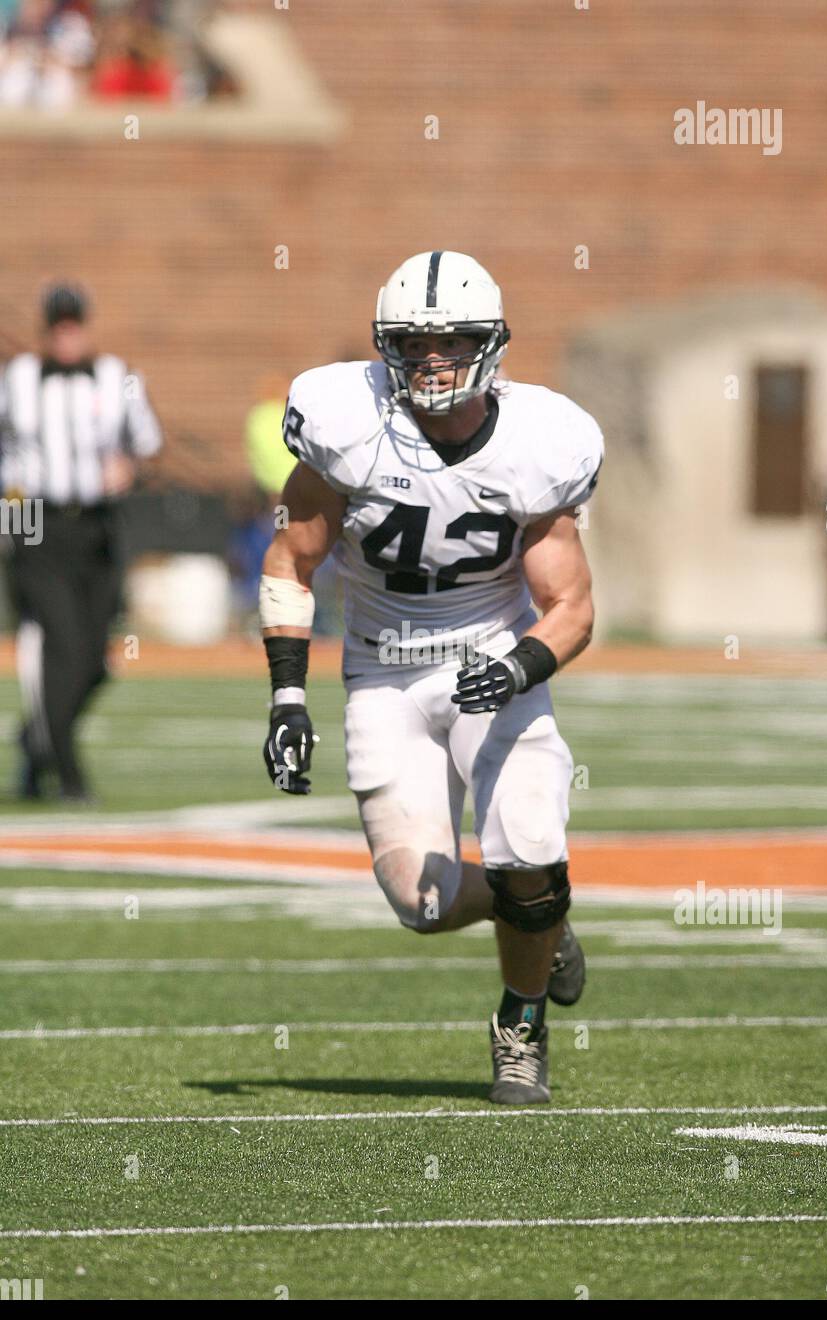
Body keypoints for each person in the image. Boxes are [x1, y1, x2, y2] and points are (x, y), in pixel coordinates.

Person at [259, 251, 603, 1105]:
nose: (432, 362)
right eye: (414, 344)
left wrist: (521, 664)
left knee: (528, 838)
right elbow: (289, 566)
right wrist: (288, 696)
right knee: (422, 900)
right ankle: (539, 913)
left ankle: (520, 1025)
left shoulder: (538, 443)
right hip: (382, 672)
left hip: (491, 658)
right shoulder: (348, 425)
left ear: (491, 347)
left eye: (452, 343)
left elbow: (572, 606)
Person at [0, 280, 162, 800]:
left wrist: (130, 469)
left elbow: (147, 442)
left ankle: (36, 738)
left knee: (95, 659)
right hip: (37, 525)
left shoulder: (116, 376)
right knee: (63, 645)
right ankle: (67, 774)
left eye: (73, 323)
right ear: (46, 329)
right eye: (57, 324)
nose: (66, 334)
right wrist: (13, 532)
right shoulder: (16, 379)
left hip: (96, 526)